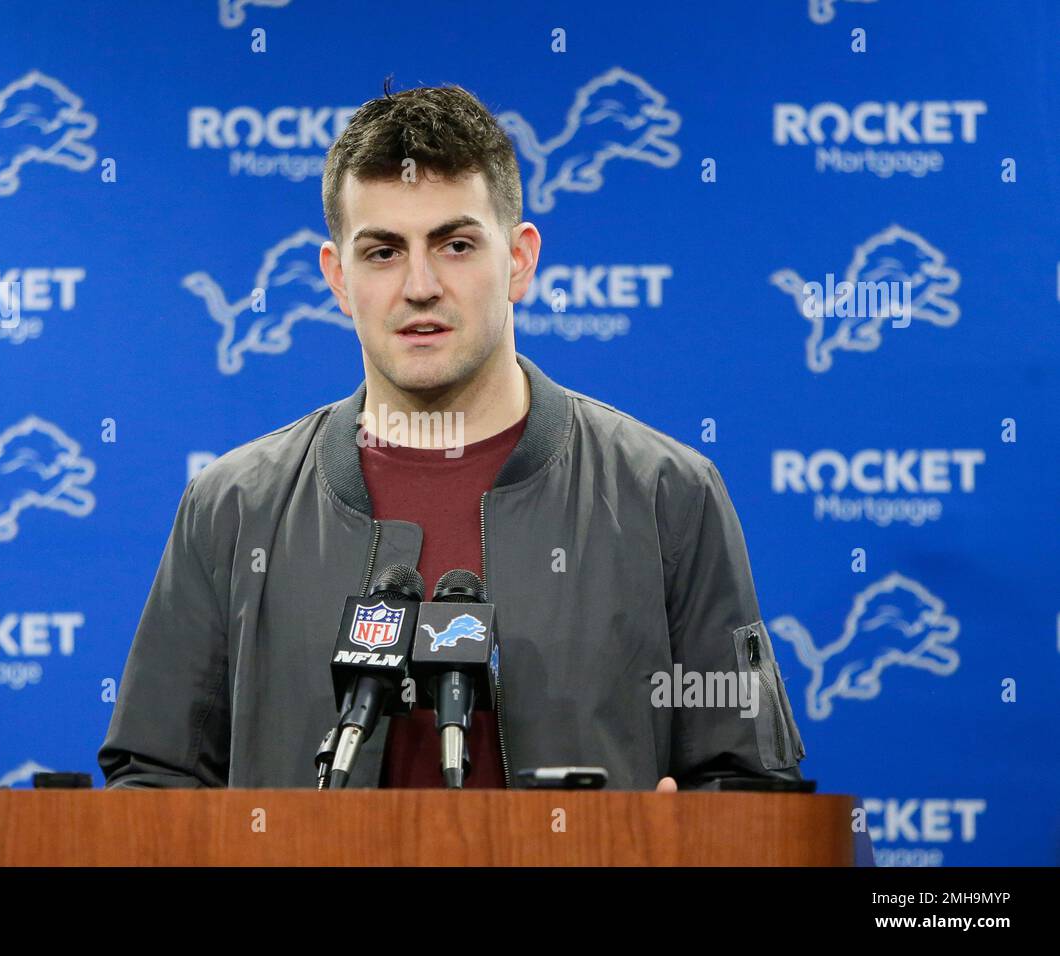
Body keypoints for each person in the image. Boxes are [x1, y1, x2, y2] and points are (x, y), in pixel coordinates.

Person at [98, 82, 806, 791]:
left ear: (520, 261)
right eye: (382, 252)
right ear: (338, 278)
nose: (421, 285)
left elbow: (751, 785)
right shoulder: (230, 508)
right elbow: (156, 783)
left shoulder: (667, 496)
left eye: (457, 244)